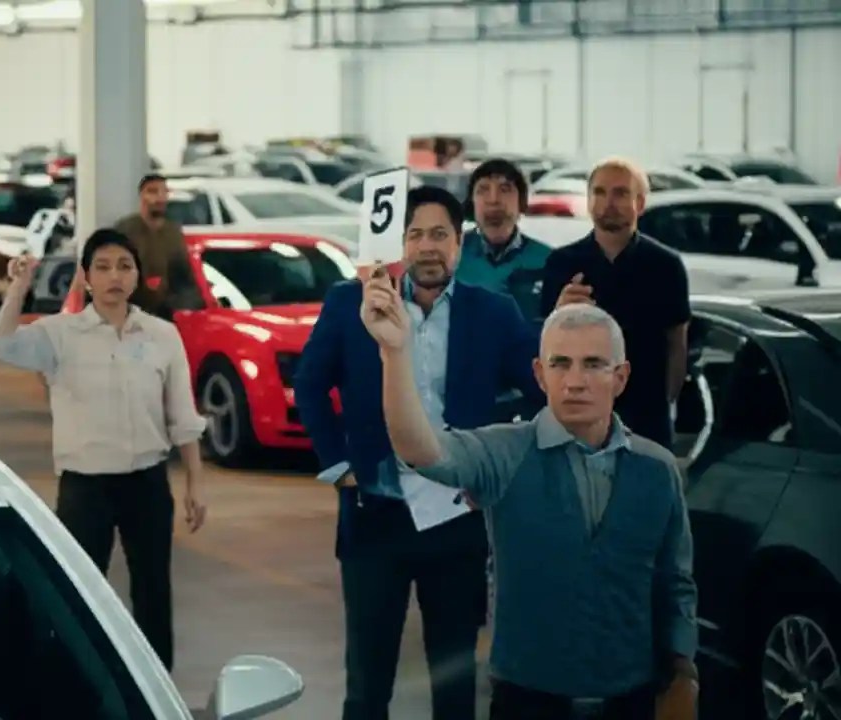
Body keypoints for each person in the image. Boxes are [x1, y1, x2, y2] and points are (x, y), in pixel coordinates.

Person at [364, 274, 700, 720]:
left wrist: (683, 672)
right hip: (529, 700)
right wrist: (394, 352)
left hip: (633, 698)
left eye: (593, 364)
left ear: (620, 377)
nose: (575, 381)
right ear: (540, 374)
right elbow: (421, 449)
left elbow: (675, 581)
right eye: (560, 363)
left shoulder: (657, 469)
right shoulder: (505, 453)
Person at [294, 186, 544, 720]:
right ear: (398, 243)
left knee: (454, 684)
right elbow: (310, 385)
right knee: (367, 684)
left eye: (440, 235)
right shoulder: (351, 303)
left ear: (460, 243)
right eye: (415, 235)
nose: (428, 247)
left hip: (457, 519)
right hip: (374, 519)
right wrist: (338, 465)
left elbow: (539, 389)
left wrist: (502, 469)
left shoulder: (494, 313)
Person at [0, 228, 208, 672]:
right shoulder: (61, 335)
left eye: (125, 267)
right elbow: (1, 343)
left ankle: (154, 686)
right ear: (85, 278)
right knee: (81, 593)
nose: (115, 277)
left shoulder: (161, 335)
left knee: (152, 593)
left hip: (146, 481)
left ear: (137, 276)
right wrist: (19, 287)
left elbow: (182, 415)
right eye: (102, 267)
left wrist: (194, 483)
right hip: (85, 486)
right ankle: (79, 685)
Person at [539, 156, 690, 449]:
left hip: (646, 418)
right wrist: (559, 313)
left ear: (640, 203)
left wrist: (666, 404)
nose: (608, 202)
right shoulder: (562, 263)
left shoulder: (665, 266)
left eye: (621, 193)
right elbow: (546, 346)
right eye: (599, 192)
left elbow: (677, 345)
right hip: (578, 413)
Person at [456, 158, 550, 322]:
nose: (493, 200)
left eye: (505, 189)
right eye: (483, 189)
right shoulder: (452, 254)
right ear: (472, 202)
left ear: (521, 202)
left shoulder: (548, 260)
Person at [112, 173, 200, 319]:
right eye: (152, 191)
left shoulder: (173, 233)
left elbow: (185, 278)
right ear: (141, 195)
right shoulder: (125, 230)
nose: (159, 198)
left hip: (165, 314)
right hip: (129, 313)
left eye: (164, 192)